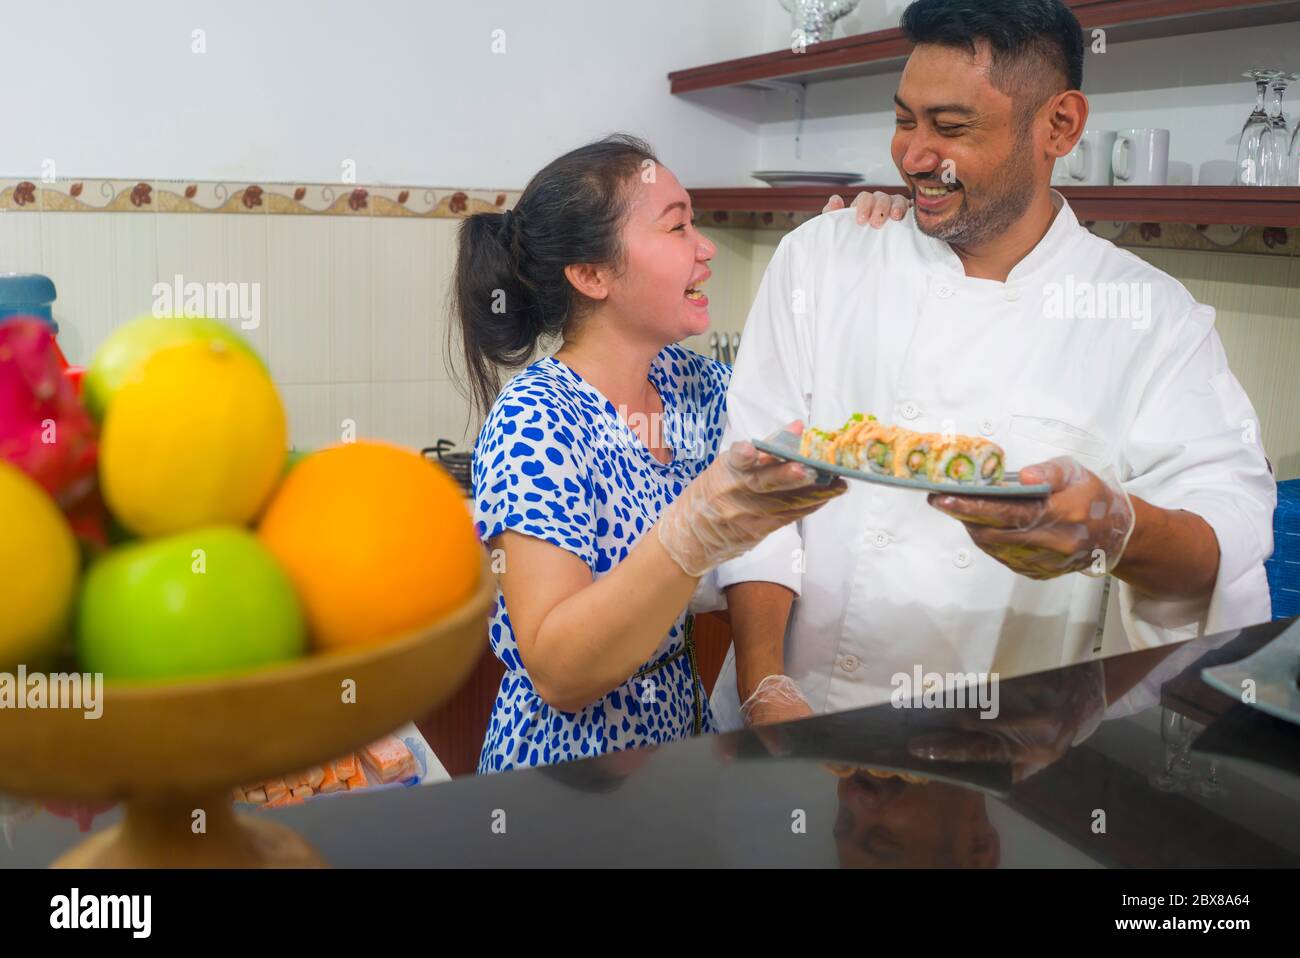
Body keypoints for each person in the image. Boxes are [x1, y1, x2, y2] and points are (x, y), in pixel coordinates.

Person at [713, 0, 1276, 730]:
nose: (913, 155)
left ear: (1060, 126)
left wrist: (1117, 530)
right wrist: (764, 685)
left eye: (950, 128)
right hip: (791, 723)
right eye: (903, 119)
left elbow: (1225, 535)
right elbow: (757, 489)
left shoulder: (1148, 316)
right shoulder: (821, 259)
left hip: (998, 751)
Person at [451, 133, 844, 773]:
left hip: (678, 745)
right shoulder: (538, 418)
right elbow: (558, 670)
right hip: (568, 774)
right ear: (592, 274)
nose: (705, 248)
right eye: (677, 227)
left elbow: (799, 416)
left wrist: (843, 268)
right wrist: (689, 536)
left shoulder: (695, 386)